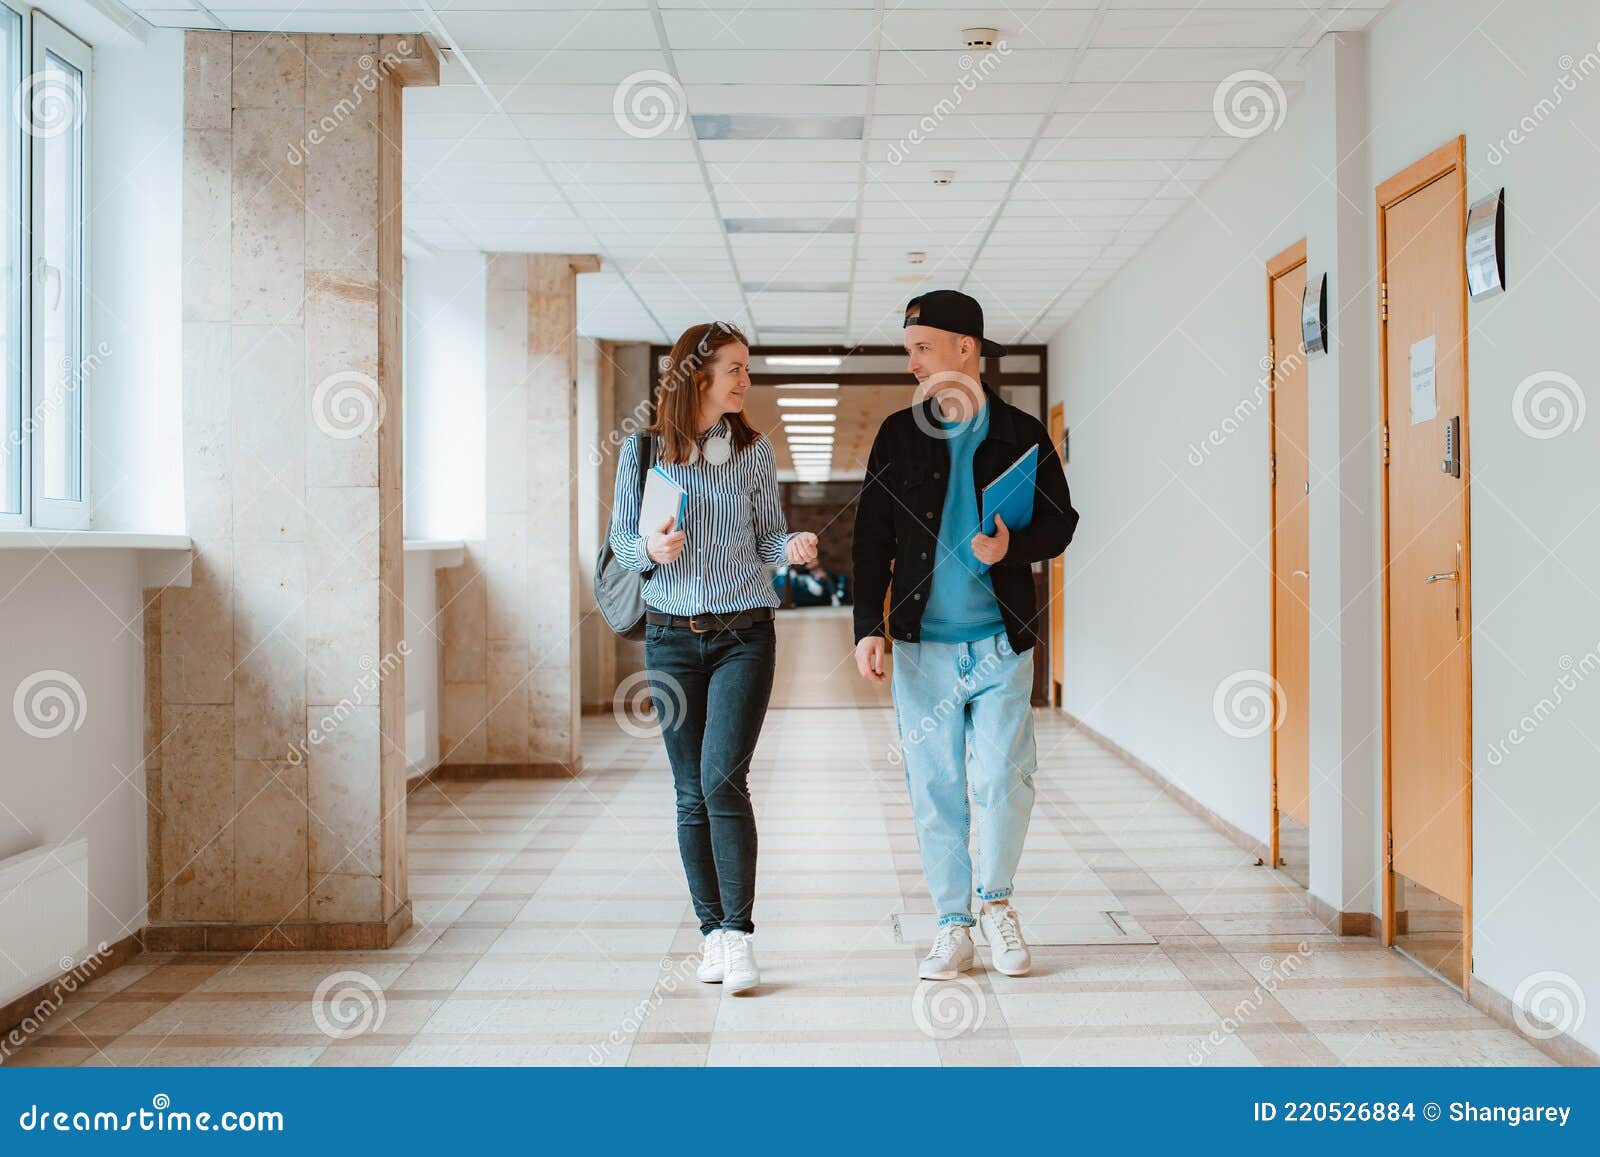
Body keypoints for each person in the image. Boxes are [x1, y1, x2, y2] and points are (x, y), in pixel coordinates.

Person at [852, 290, 1079, 981]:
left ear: (965, 348)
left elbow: (1061, 523)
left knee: (1005, 777)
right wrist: (868, 627)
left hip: (1001, 640)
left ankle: (997, 903)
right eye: (909, 350)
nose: (913, 363)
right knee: (936, 784)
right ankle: (953, 923)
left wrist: (1012, 547)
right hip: (923, 646)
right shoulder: (899, 434)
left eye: (922, 348)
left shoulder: (1021, 432)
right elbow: (870, 538)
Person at [607, 321, 819, 996]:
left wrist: (792, 547)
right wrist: (651, 550)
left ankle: (739, 932)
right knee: (689, 789)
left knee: (723, 777)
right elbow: (621, 543)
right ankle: (711, 934)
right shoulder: (644, 450)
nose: (745, 381)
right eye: (736, 369)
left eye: (746, 369)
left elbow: (766, 539)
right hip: (671, 637)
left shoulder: (753, 451)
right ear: (698, 375)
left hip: (743, 635)